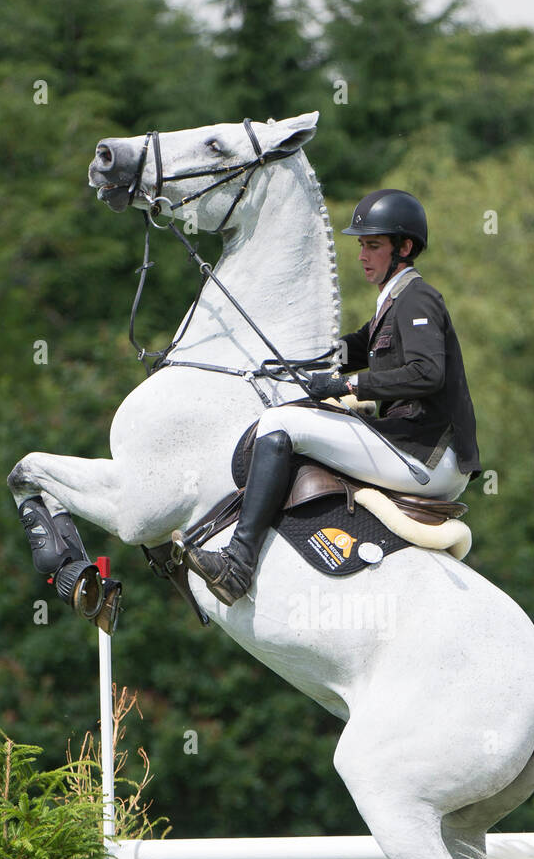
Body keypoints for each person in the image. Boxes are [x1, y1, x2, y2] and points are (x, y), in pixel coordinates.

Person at [180, 188, 480, 606]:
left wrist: (349, 386)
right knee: (300, 416)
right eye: (361, 245)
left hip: (427, 455)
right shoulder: (389, 304)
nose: (362, 255)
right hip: (410, 445)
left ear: (405, 248)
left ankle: (238, 565)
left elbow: (427, 374)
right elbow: (346, 350)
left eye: (373, 245)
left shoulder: (418, 299)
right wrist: (285, 360)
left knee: (280, 425)